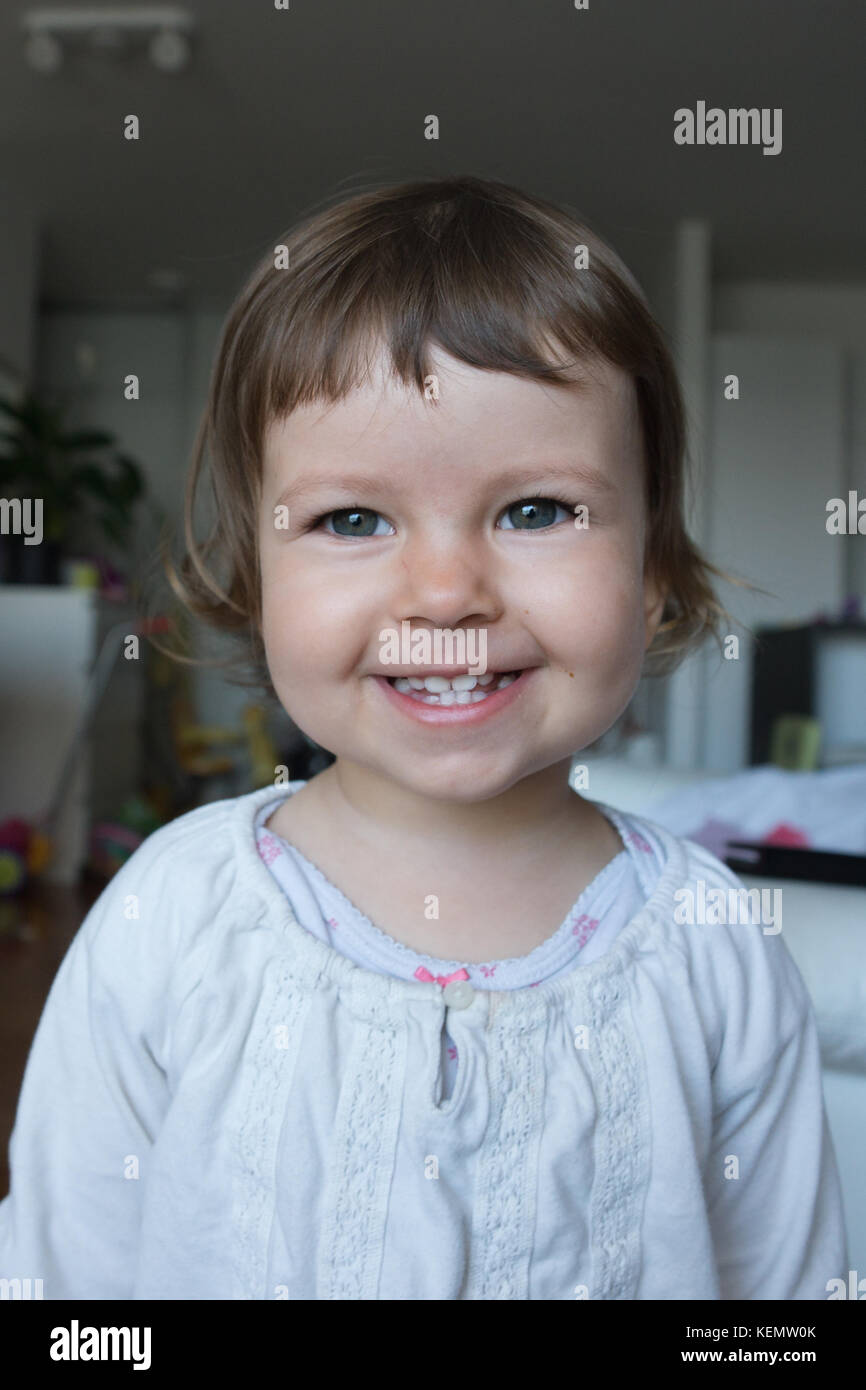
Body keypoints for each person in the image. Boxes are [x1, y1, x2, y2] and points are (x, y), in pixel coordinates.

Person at [0, 175, 848, 1299]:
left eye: (535, 510)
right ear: (256, 582)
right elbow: (63, 1281)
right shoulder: (171, 920)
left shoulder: (714, 948)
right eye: (352, 519)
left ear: (649, 574)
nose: (445, 593)